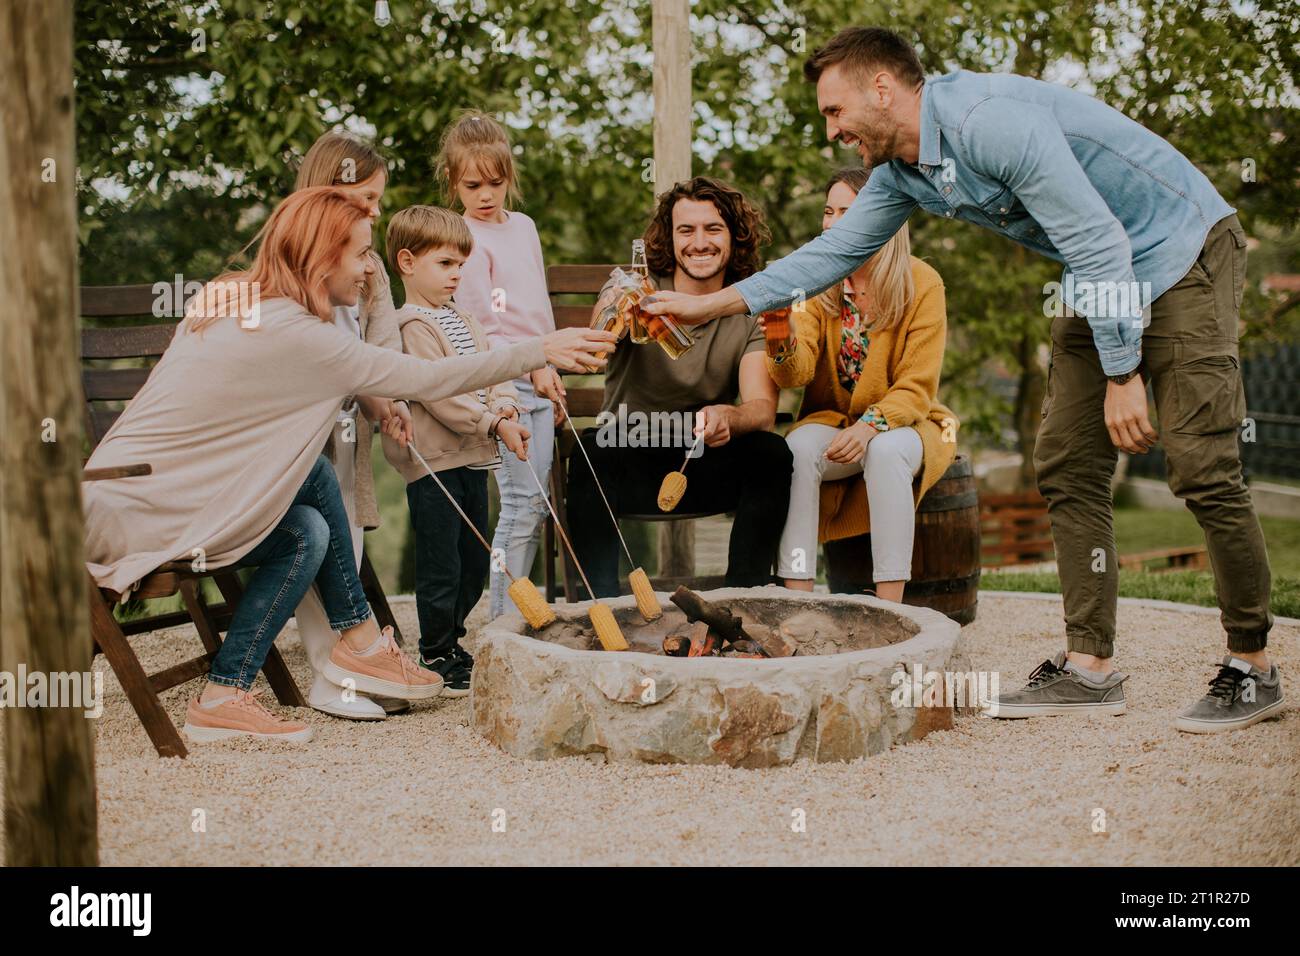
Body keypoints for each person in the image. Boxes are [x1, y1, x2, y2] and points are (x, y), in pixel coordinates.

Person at [640, 26, 1279, 733]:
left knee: (1200, 466)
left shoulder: (988, 124)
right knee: (1067, 463)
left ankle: (1252, 665)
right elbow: (825, 257)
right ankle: (1090, 666)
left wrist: (1122, 372)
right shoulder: (903, 173)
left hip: (1180, 248)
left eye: (834, 112)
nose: (832, 133)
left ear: (882, 90)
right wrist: (704, 303)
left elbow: (1101, 241)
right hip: (1097, 273)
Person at [82, 187, 615, 744]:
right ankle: (360, 641)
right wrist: (540, 350)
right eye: (361, 253)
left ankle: (224, 694)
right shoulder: (293, 332)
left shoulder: (236, 296)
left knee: (305, 531)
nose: (370, 269)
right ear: (321, 256)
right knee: (311, 479)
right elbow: (423, 379)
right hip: (140, 512)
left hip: (144, 497)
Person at [567, 176, 793, 596]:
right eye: (686, 230)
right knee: (589, 451)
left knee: (772, 453)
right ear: (668, 240)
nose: (699, 242)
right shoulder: (637, 289)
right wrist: (611, 310)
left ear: (735, 237)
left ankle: (743, 602)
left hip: (703, 452)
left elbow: (761, 407)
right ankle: (597, 608)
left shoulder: (751, 306)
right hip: (631, 448)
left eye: (713, 229)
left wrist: (731, 416)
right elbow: (596, 343)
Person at [767, 168, 956, 603]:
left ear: (884, 216)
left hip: (910, 423)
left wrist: (871, 426)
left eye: (846, 212)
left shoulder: (922, 282)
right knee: (796, 450)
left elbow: (917, 385)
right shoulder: (818, 282)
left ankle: (890, 604)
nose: (832, 223)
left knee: (886, 452)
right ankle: (797, 597)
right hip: (835, 421)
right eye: (828, 212)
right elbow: (796, 375)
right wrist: (779, 336)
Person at [289, 130, 414, 722]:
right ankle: (327, 673)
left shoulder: (372, 269)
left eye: (378, 199)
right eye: (367, 198)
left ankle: (351, 663)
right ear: (330, 191)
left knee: (349, 531)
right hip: (297, 430)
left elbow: (382, 345)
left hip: (347, 429)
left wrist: (388, 404)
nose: (375, 210)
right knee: (315, 529)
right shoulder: (290, 261)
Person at [380, 205, 530, 695]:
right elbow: (440, 395)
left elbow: (495, 369)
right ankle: (436, 650)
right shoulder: (412, 326)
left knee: (472, 562)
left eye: (461, 264)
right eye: (445, 264)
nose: (457, 274)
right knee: (441, 563)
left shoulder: (464, 318)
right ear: (407, 262)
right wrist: (491, 422)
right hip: (436, 465)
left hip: (475, 459)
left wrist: (506, 409)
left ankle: (454, 638)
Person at [439, 110, 564, 618]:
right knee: (518, 505)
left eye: (496, 182)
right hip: (504, 385)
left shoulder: (525, 227)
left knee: (536, 507)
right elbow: (481, 328)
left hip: (539, 376)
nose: (486, 195)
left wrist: (549, 362)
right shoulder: (463, 238)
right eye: (473, 185)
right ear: (453, 182)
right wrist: (530, 364)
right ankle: (501, 625)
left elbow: (537, 306)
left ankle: (520, 616)